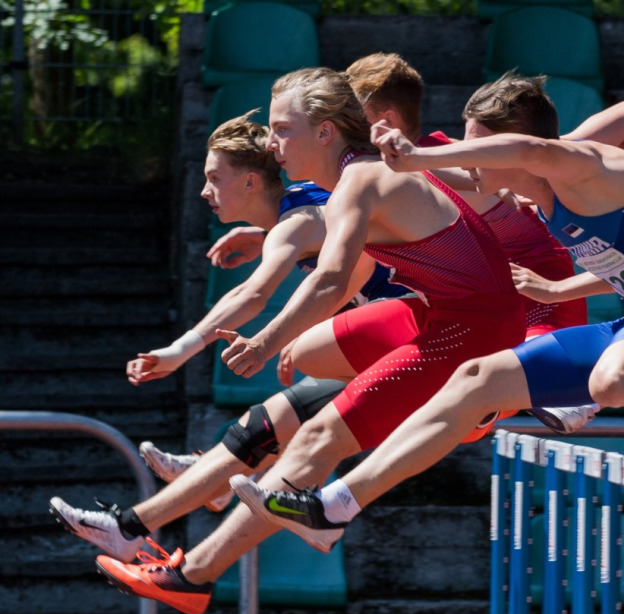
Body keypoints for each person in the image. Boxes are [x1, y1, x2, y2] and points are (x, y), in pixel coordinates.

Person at [228, 72, 624, 554]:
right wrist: (557, 289)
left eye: (475, 149)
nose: (466, 165)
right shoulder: (536, 202)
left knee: (610, 380)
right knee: (477, 379)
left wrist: (415, 158)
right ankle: (337, 507)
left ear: (510, 146)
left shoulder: (586, 167)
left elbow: (542, 144)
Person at [91, 66, 530, 614]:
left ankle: (197, 570)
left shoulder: (362, 180)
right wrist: (266, 237)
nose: (270, 145)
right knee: (311, 392)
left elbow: (328, 281)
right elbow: (334, 236)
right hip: (444, 316)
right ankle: (224, 529)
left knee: (317, 430)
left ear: (325, 132)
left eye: (281, 129)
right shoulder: (357, 179)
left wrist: (265, 340)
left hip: (473, 332)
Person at [49, 112, 406, 560]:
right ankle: (181, 501)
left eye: (215, 178)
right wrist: (263, 237)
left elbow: (254, 293)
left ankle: (171, 521)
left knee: (267, 426)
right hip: (396, 343)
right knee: (265, 425)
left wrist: (183, 349)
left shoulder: (294, 222)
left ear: (253, 182)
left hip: (424, 349)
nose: (204, 191)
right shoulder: (298, 213)